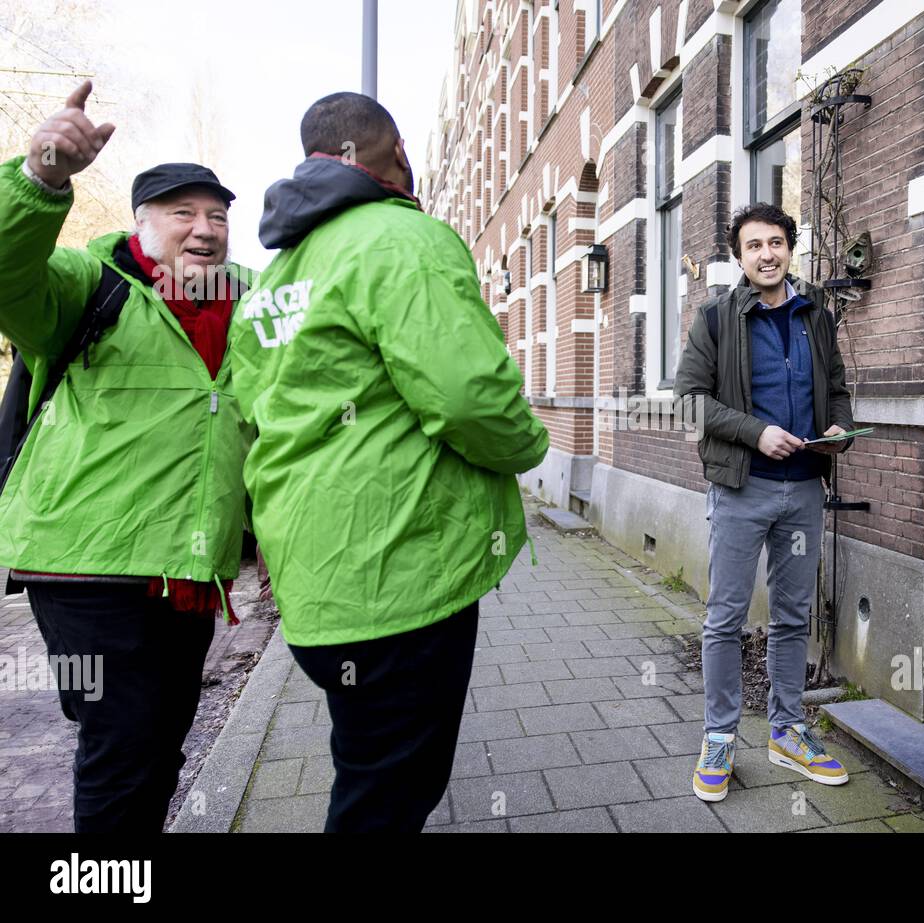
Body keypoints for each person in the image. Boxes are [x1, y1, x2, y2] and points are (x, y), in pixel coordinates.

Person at [229, 92, 549, 832]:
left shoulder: (273, 282)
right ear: (398, 152)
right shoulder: (405, 240)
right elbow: (469, 396)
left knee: (366, 761)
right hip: (399, 578)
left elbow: (253, 418)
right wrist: (528, 446)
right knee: (388, 797)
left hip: (318, 589)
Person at [0, 80, 253, 831]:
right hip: (90, 566)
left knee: (159, 741)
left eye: (217, 216)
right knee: (122, 744)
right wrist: (40, 180)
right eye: (183, 213)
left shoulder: (249, 308)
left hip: (188, 566)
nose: (204, 228)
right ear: (144, 226)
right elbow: (8, 272)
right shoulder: (91, 285)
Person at [674, 202, 856, 801]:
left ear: (789, 247)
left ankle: (787, 730)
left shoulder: (815, 315)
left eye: (776, 243)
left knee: (790, 616)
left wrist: (839, 430)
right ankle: (720, 738)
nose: (767, 254)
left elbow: (837, 388)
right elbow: (689, 403)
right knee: (724, 618)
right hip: (741, 488)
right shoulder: (717, 318)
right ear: (739, 256)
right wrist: (756, 432)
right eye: (754, 246)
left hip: (805, 488)